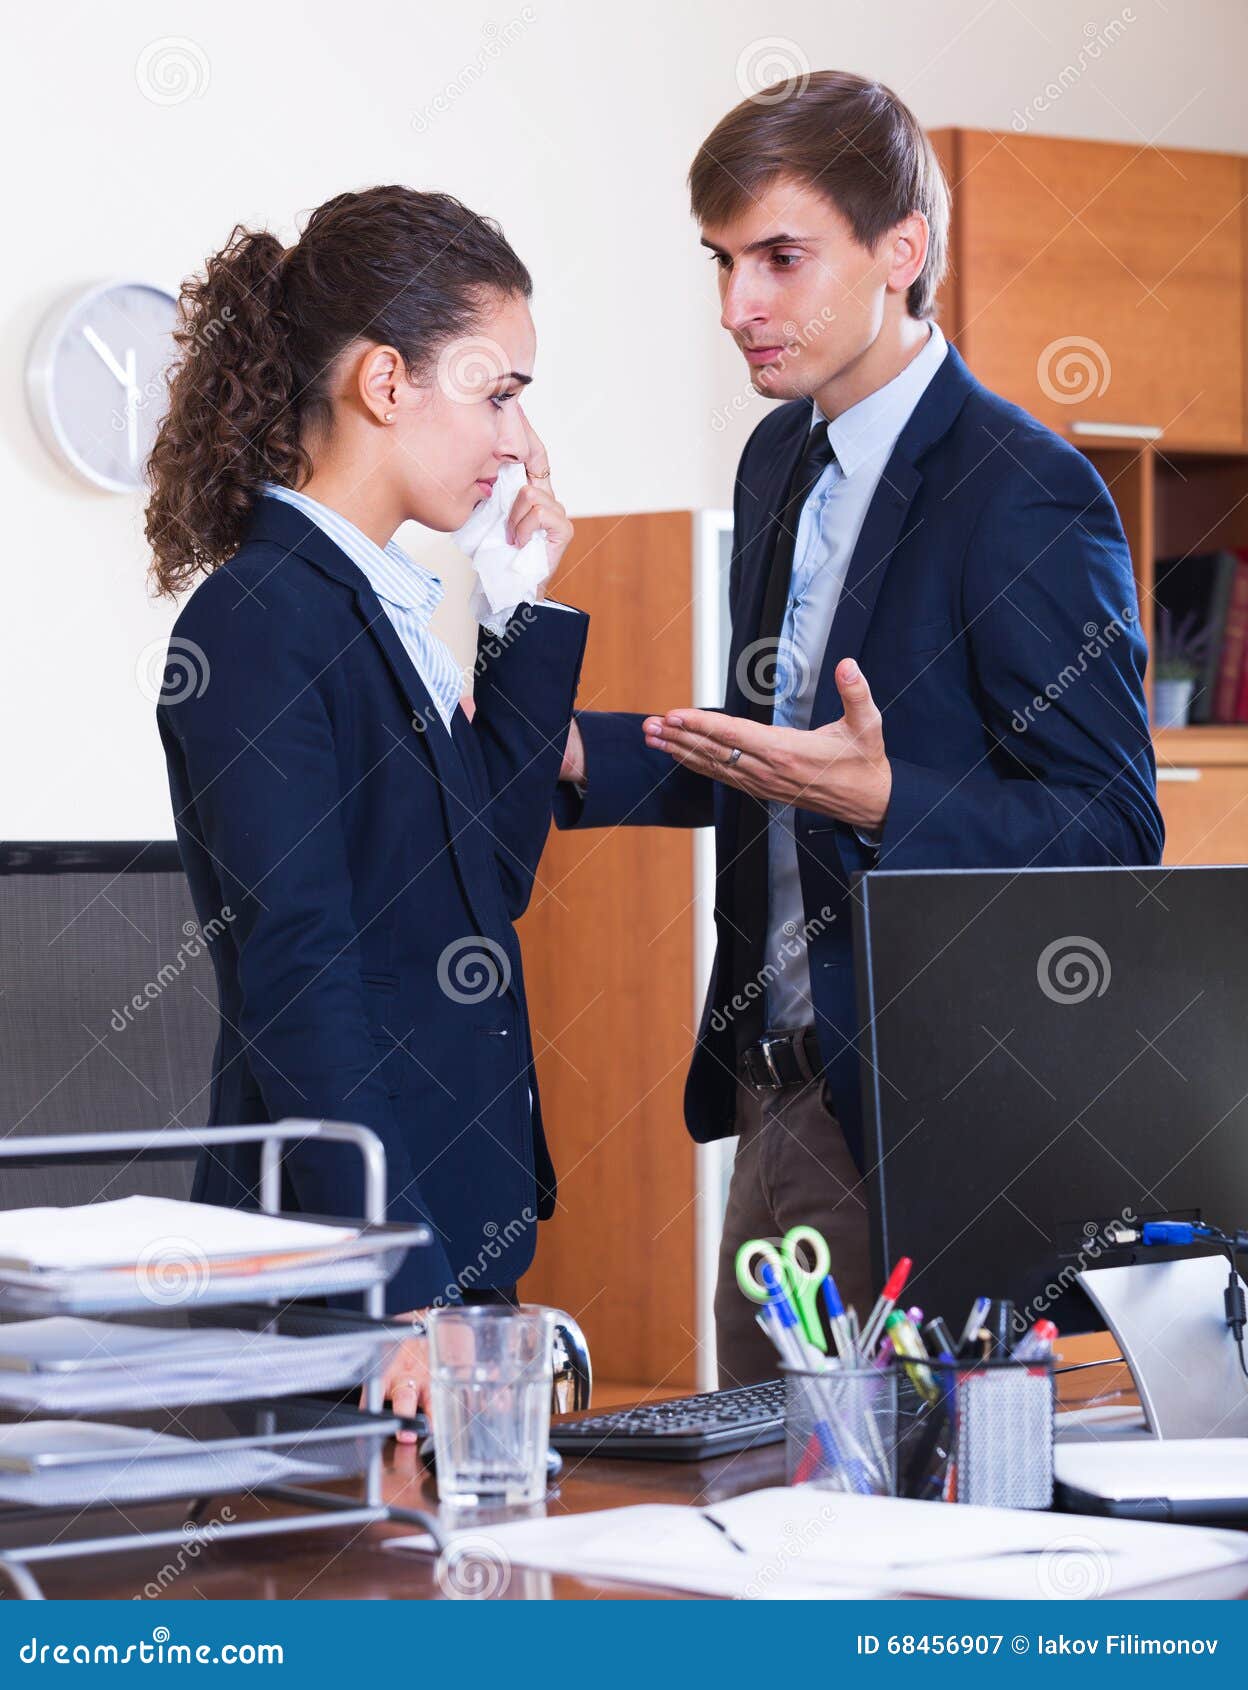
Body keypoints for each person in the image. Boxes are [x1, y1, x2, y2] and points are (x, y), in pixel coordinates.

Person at [555, 72, 1163, 1387]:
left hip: (926, 1117)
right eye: (721, 263)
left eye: (779, 258)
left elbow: (1117, 834)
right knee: (754, 1536)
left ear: (904, 251)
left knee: (886, 1545)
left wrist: (888, 799)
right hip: (772, 1103)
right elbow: (773, 763)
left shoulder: (1027, 492)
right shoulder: (778, 463)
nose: (737, 307)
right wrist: (570, 753)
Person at [146, 185, 586, 1431]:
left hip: (443, 1245)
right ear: (388, 382)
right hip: (347, 1272)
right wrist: (397, 1280)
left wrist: (515, 612)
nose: (518, 440)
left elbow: (485, 878)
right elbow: (300, 970)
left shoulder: (376, 606)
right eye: (499, 391)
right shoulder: (258, 620)